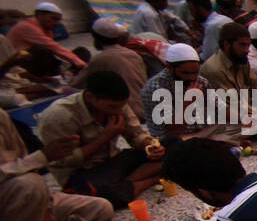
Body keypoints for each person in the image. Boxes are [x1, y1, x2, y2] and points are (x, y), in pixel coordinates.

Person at [37, 71, 165, 208]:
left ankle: (126, 182)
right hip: (84, 174)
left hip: (114, 161)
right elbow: (66, 160)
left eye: (121, 106)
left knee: (174, 145)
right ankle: (150, 179)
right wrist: (106, 136)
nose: (118, 111)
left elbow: (135, 134)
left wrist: (149, 146)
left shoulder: (118, 104)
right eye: (112, 107)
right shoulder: (59, 117)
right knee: (105, 197)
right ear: (90, 97)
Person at [0, 108, 112, 221]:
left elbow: (24, 161)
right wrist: (43, 156)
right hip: (14, 195)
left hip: (27, 197)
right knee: (29, 185)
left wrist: (43, 202)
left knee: (102, 208)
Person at [141, 43, 239, 144]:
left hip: (202, 132)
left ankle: (206, 142)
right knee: (177, 143)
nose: (192, 77)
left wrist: (245, 119)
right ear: (169, 67)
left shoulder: (200, 81)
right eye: (185, 73)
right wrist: (188, 102)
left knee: (243, 125)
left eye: (195, 72)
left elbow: (221, 108)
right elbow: (171, 127)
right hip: (173, 137)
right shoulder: (155, 87)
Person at [199, 22, 257, 138]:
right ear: (227, 44)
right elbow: (232, 107)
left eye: (248, 45)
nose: (247, 50)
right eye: (242, 45)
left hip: (248, 110)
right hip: (228, 118)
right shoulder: (214, 70)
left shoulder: (241, 60)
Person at [70, 19, 148, 120]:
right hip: (147, 109)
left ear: (96, 38)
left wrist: (69, 74)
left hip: (129, 113)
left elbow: (77, 84)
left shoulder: (101, 58)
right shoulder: (134, 55)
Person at [8, 3, 85, 70]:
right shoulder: (27, 27)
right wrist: (80, 63)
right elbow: (53, 47)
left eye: (58, 20)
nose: (56, 23)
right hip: (18, 64)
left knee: (81, 51)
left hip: (32, 59)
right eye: (54, 18)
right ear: (40, 14)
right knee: (43, 51)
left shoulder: (46, 29)